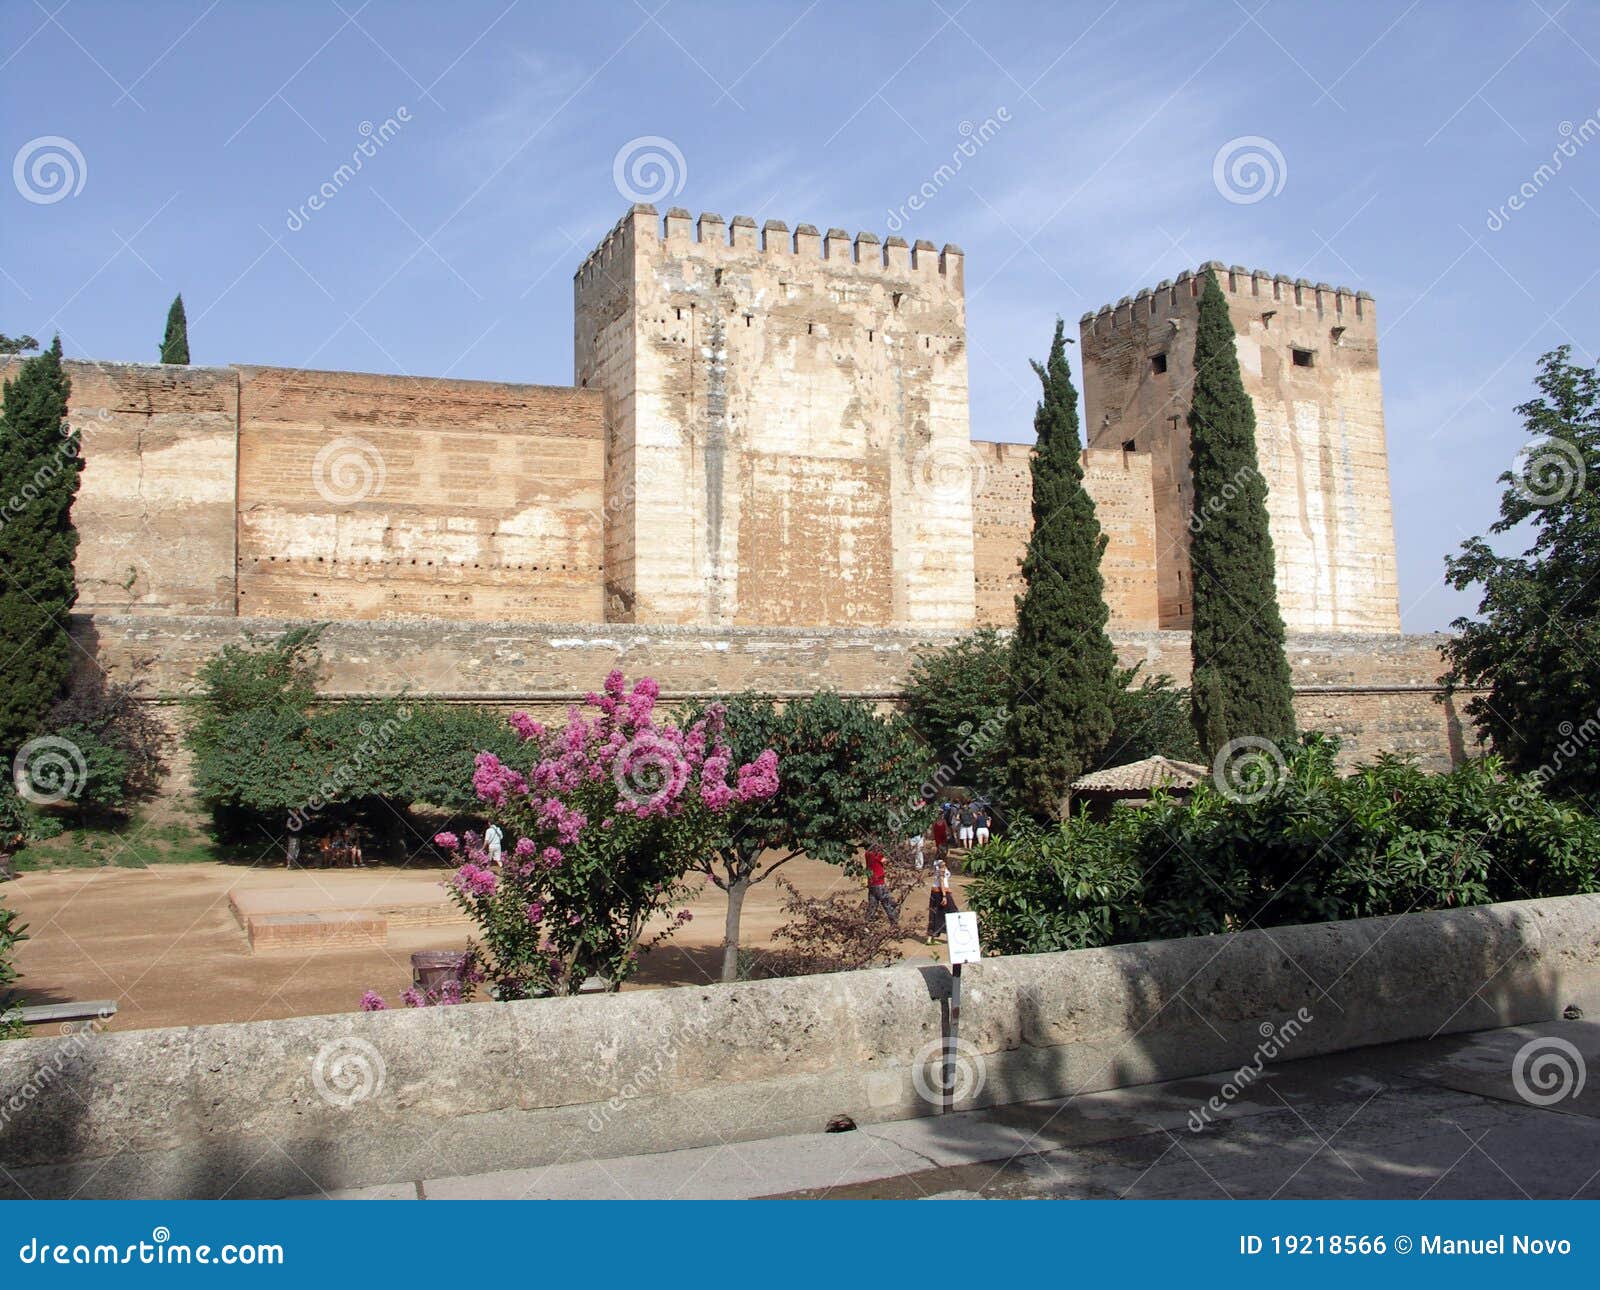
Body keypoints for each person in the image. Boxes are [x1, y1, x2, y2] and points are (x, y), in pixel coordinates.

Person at [864, 842, 899, 926]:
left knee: (872, 905)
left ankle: (866, 924)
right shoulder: (877, 855)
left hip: (871, 883)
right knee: (887, 904)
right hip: (879, 884)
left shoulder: (867, 854)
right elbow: (886, 861)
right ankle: (894, 924)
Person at [925, 851, 957, 944]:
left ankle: (930, 937)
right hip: (942, 891)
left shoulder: (935, 862)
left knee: (934, 913)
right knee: (953, 912)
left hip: (934, 891)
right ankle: (954, 936)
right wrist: (944, 895)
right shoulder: (942, 864)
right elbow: (942, 880)